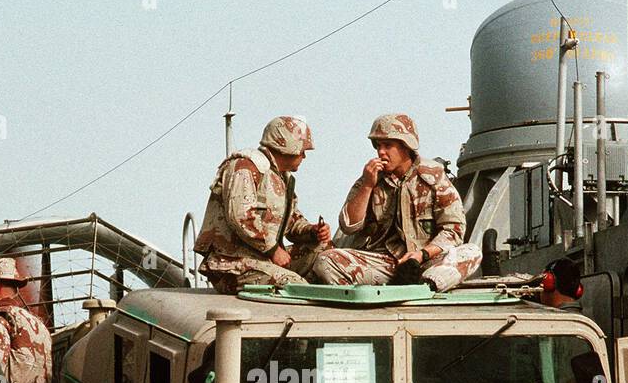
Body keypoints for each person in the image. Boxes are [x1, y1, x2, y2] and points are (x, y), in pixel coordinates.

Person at [311, 113, 482, 292]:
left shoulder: (433, 176)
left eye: (388, 145)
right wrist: (368, 186)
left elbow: (453, 229)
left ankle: (425, 287)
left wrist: (421, 255)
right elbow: (349, 226)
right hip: (382, 264)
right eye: (378, 146)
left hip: (423, 263)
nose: (381, 152)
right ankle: (377, 294)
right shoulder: (369, 179)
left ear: (406, 146)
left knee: (471, 252)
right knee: (326, 260)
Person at [193, 115, 332, 293]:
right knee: (294, 285)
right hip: (230, 264)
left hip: (261, 260)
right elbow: (241, 217)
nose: (304, 156)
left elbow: (291, 222)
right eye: (302, 150)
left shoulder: (280, 177)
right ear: (288, 146)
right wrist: (273, 250)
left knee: (325, 251)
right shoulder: (245, 167)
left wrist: (312, 231)